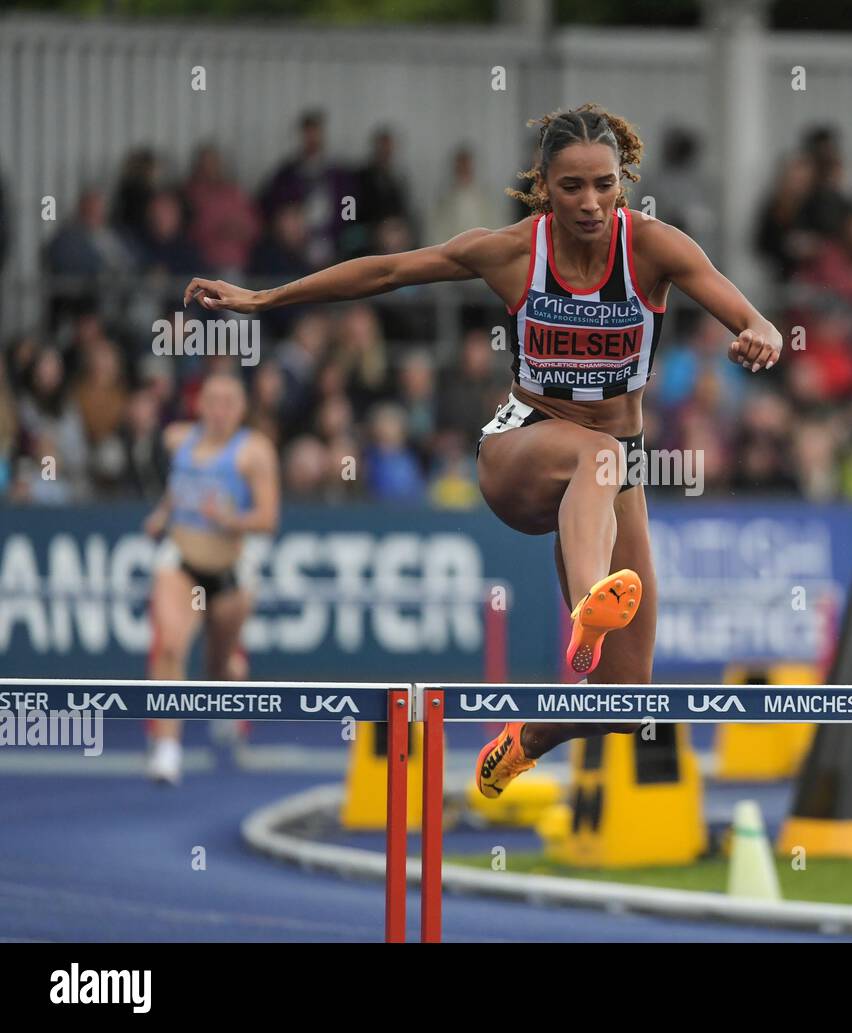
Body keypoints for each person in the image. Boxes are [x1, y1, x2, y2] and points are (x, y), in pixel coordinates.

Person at [183, 103, 783, 798]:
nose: (590, 202)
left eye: (604, 184)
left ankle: (529, 737)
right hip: (521, 450)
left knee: (626, 700)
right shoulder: (511, 253)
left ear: (624, 182)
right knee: (599, 456)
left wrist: (762, 329)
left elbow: (746, 312)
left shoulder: (653, 247)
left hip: (616, 466)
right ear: (544, 188)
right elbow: (385, 273)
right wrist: (264, 299)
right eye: (571, 187)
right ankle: (591, 600)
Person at [142, 372, 280, 784]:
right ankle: (167, 748)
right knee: (169, 645)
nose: (219, 411)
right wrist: (164, 514)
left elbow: (268, 519)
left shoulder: (254, 452)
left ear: (241, 410)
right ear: (199, 405)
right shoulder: (177, 439)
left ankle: (225, 696)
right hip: (181, 560)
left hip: (228, 571)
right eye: (212, 402)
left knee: (221, 665)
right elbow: (179, 486)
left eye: (228, 403)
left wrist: (230, 519)